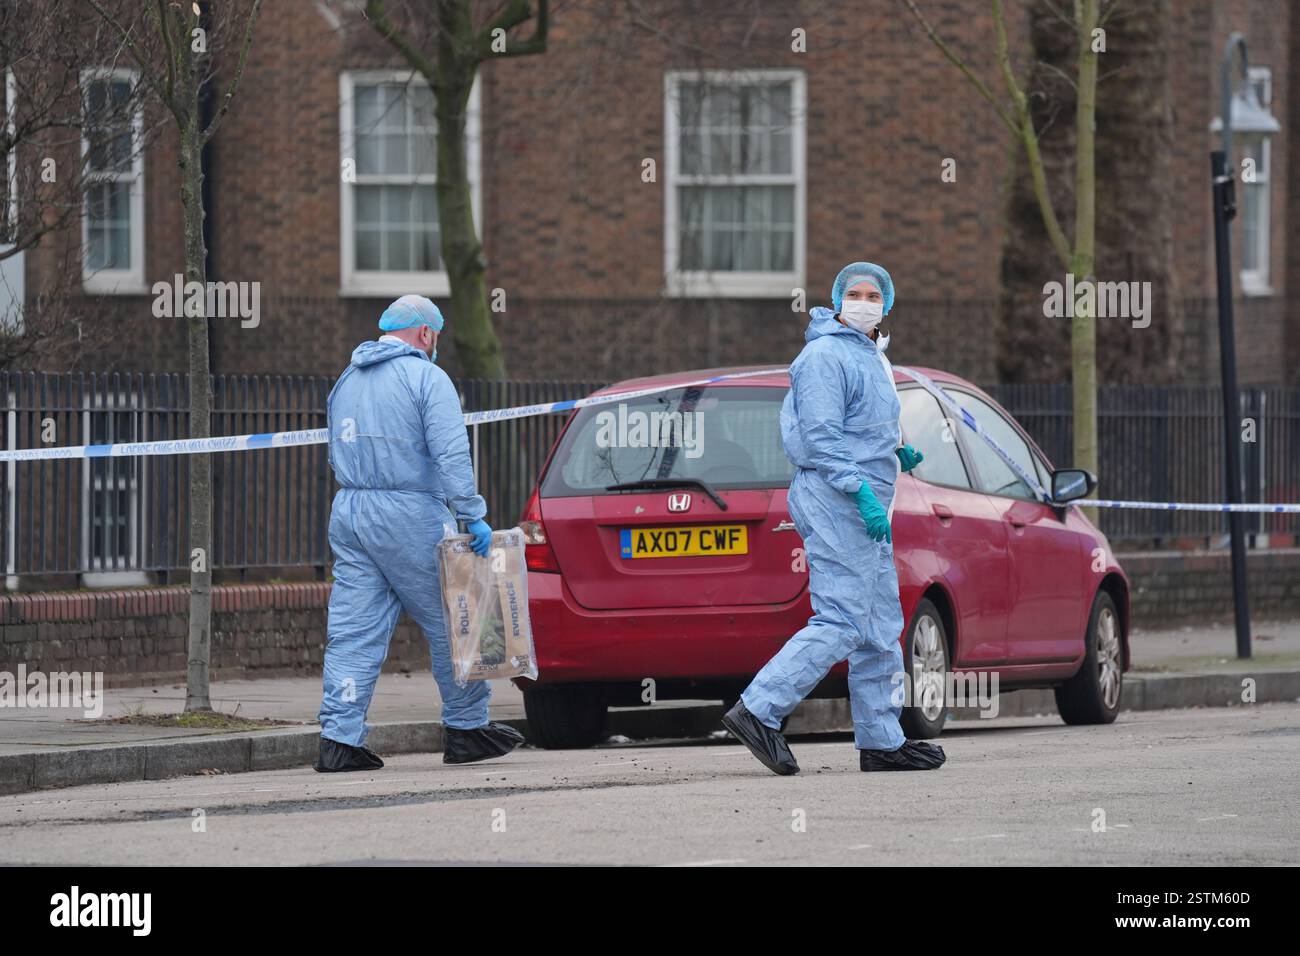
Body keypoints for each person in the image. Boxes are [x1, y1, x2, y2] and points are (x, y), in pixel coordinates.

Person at [721, 263, 946, 775]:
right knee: (844, 619)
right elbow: (821, 437)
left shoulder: (869, 355)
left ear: (885, 304)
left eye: (873, 295)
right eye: (854, 293)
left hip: (866, 503)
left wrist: (895, 453)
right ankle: (759, 709)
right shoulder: (824, 355)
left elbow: (862, 426)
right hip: (837, 498)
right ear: (838, 300)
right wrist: (858, 487)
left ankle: (882, 739)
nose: (864, 301)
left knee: (879, 625)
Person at [315, 294, 524, 772]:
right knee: (459, 618)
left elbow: (334, 449)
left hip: (350, 510)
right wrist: (472, 514)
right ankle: (467, 728)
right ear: (427, 334)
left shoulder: (347, 379)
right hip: (409, 511)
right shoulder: (427, 378)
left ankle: (338, 738)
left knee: (353, 629)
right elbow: (451, 455)